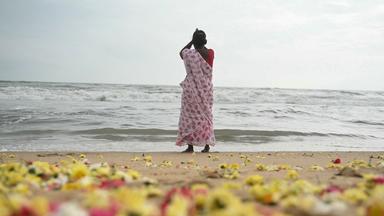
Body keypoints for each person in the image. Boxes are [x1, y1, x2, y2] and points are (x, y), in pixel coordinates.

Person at [176, 28, 215, 153]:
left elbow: (181, 52)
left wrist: (191, 41)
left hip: (191, 91)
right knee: (206, 116)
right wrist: (195, 40)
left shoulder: (189, 54)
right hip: (206, 89)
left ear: (194, 41)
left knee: (189, 117)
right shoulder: (210, 53)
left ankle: (190, 146)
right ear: (205, 40)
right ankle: (206, 145)